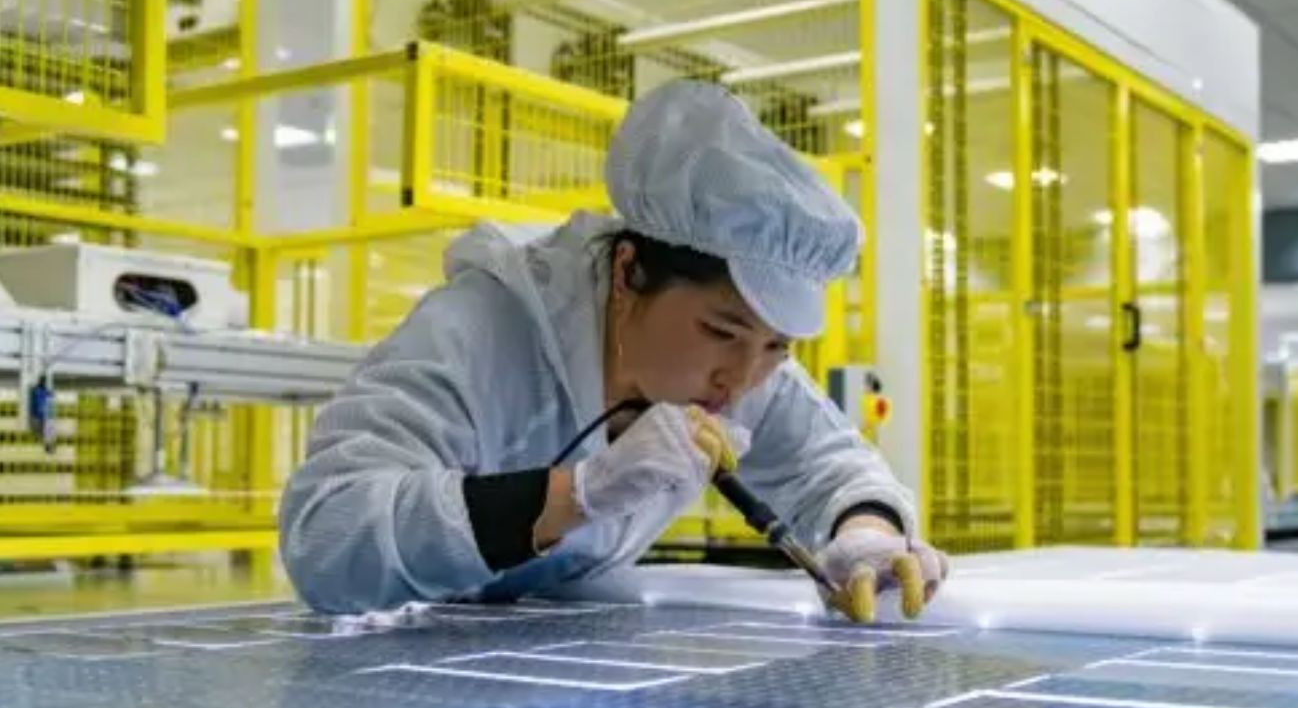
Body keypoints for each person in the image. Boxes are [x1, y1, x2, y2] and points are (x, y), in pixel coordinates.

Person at [279, 79, 947, 622]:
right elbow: (328, 532)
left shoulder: (746, 370)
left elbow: (833, 466)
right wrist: (577, 493)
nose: (744, 377)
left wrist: (868, 533)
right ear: (628, 271)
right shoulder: (481, 329)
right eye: (721, 331)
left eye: (777, 344)